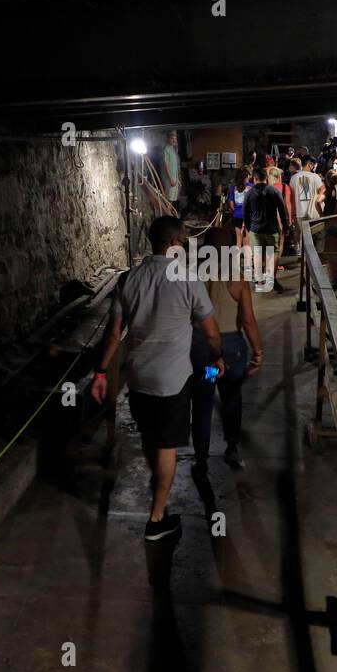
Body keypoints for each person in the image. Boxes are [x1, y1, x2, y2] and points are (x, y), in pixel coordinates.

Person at [90, 216, 225, 541]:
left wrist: (100, 372)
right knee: (167, 445)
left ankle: (158, 484)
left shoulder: (129, 279)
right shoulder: (189, 280)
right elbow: (210, 331)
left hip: (137, 378)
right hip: (173, 381)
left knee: (151, 437)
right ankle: (157, 517)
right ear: (175, 244)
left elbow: (113, 334)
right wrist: (218, 358)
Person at [190, 226, 262, 476]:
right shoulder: (237, 278)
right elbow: (248, 319)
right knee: (231, 398)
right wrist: (257, 352)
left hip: (205, 351)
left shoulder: (192, 275)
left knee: (203, 402)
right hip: (231, 349)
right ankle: (232, 448)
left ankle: (200, 459)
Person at [242, 167, 289, 293]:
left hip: (255, 229)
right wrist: (286, 226)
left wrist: (248, 227)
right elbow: (282, 211)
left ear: (255, 178)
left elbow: (245, 213)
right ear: (266, 178)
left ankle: (259, 280)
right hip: (272, 229)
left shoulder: (249, 193)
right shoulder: (274, 191)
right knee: (272, 254)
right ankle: (271, 279)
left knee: (257, 254)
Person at [291, 157, 324, 249]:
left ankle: (303, 258)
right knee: (316, 236)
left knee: (303, 238)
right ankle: (316, 258)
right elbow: (322, 190)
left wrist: (292, 213)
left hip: (299, 211)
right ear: (310, 164)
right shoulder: (315, 177)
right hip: (314, 211)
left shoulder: (293, 178)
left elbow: (292, 196)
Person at [161, 130, 181, 207]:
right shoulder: (167, 149)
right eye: (172, 138)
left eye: (175, 139)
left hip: (174, 179)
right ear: (168, 139)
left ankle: (171, 215)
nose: (174, 140)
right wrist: (171, 179)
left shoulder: (173, 150)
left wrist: (177, 179)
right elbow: (166, 165)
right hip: (169, 179)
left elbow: (175, 166)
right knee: (168, 200)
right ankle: (168, 215)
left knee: (172, 200)